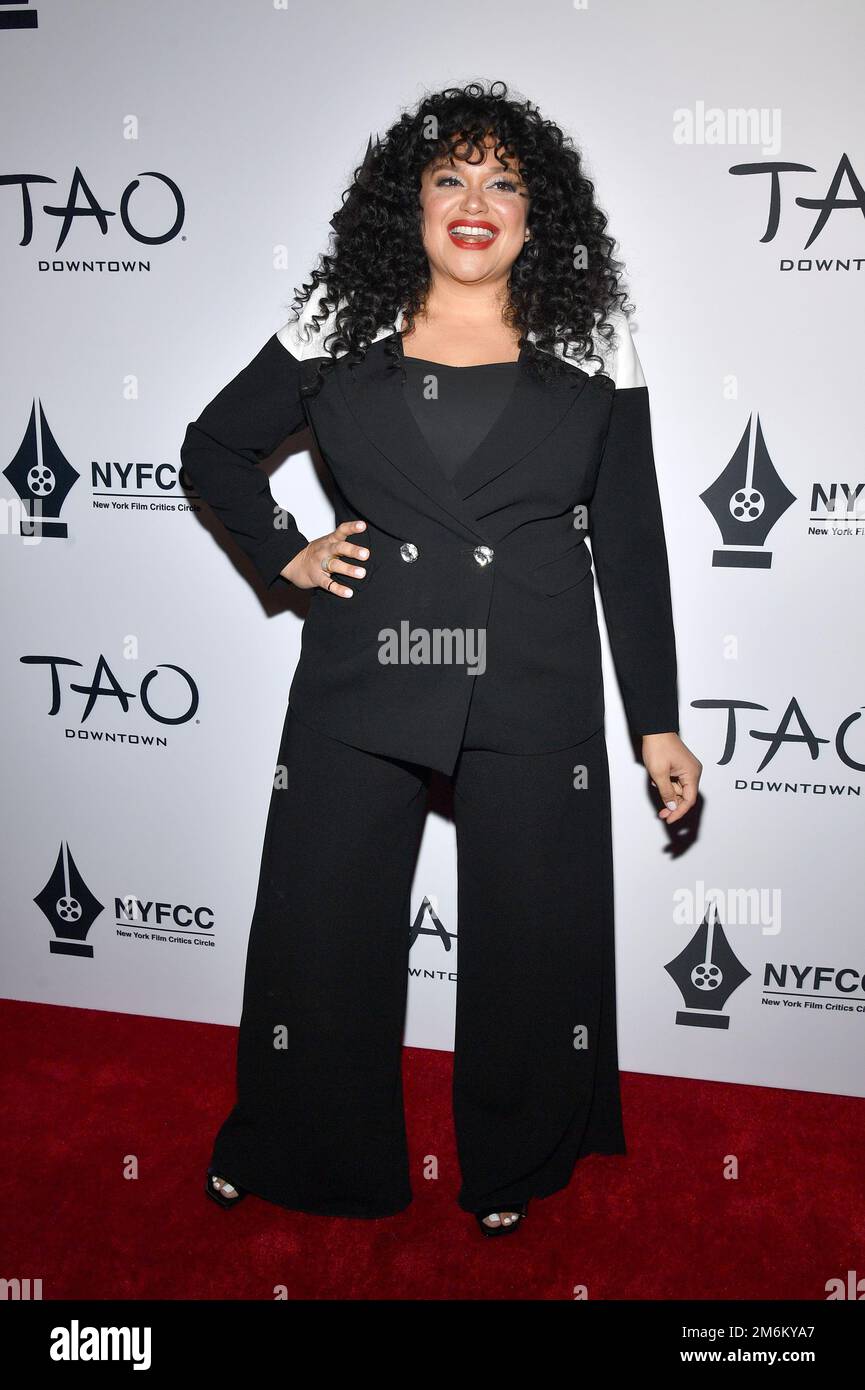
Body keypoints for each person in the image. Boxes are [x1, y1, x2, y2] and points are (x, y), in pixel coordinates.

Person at [180, 79, 702, 1238]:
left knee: (533, 936)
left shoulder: (588, 336)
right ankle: (298, 1144)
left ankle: (518, 1154)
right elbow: (212, 446)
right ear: (405, 203)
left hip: (535, 677)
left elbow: (629, 531)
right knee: (319, 929)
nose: (477, 201)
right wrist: (287, 555)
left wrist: (655, 722)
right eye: (450, 177)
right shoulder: (337, 313)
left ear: (536, 212)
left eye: (504, 181)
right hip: (366, 670)